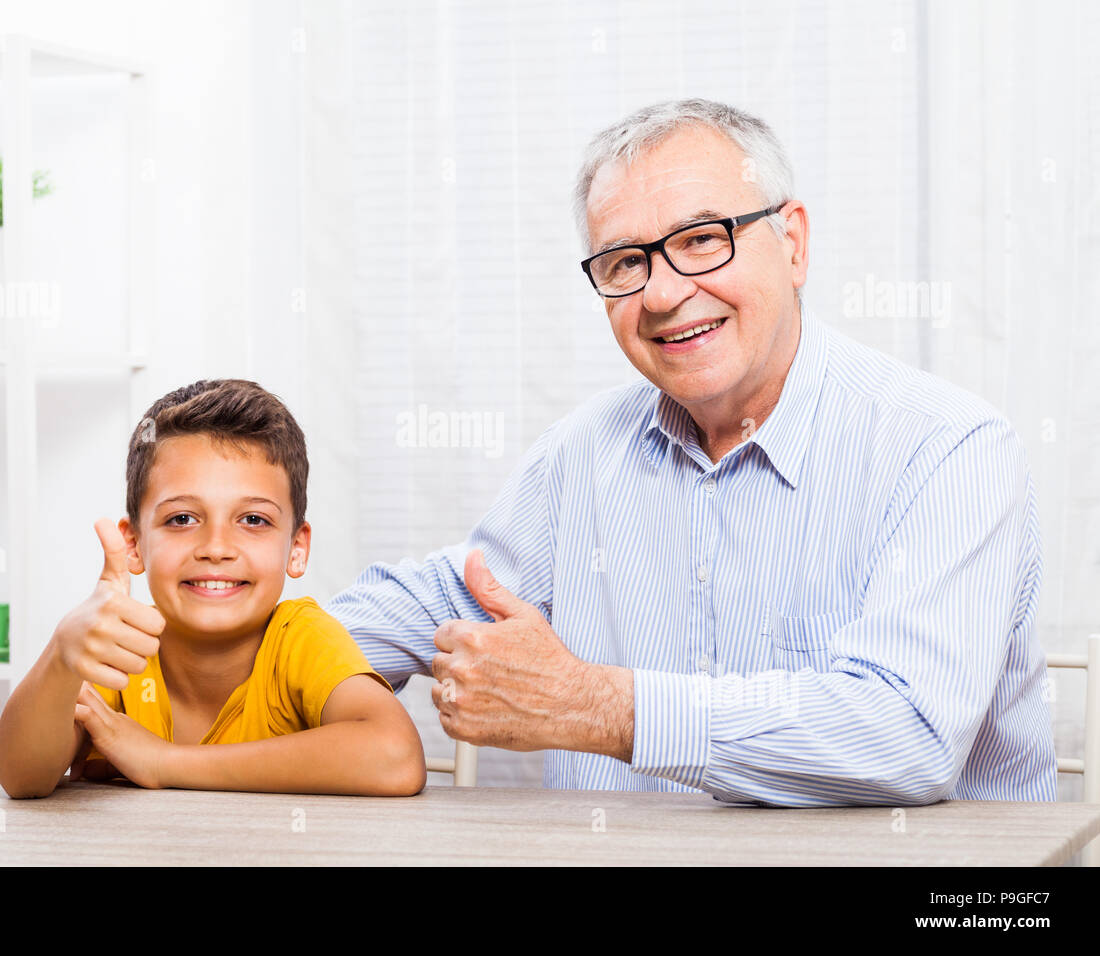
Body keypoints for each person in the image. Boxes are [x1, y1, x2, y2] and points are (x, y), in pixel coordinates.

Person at [324, 98, 1056, 806]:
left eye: (703, 238)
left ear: (793, 244)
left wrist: (598, 707)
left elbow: (906, 734)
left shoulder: (950, 449)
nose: (666, 293)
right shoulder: (579, 456)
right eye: (624, 262)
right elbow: (435, 608)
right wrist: (225, 632)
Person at [0, 379, 426, 798]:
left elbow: (396, 756)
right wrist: (61, 654)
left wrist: (163, 763)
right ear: (134, 544)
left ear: (296, 548)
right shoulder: (118, 650)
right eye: (182, 519)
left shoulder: (302, 639)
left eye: (253, 520)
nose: (216, 548)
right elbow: (23, 778)